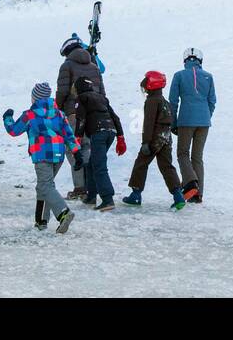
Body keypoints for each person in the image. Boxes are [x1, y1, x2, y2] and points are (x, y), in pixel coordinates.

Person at [3, 81, 78, 233]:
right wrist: (77, 151)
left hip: (42, 154)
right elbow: (69, 135)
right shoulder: (59, 114)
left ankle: (63, 213)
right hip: (58, 155)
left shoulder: (30, 115)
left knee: (45, 185)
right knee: (45, 185)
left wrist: (7, 118)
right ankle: (41, 220)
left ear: (35, 98)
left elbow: (13, 130)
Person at [122, 71, 185, 211]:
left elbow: (149, 123)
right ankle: (178, 195)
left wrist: (146, 142)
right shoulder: (165, 102)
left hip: (155, 138)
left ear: (151, 84)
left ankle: (136, 194)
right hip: (166, 138)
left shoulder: (151, 101)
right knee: (166, 165)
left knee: (141, 163)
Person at [56, 33, 104, 201]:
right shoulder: (94, 66)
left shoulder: (67, 66)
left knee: (73, 148)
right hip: (94, 114)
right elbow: (102, 92)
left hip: (74, 112)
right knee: (87, 148)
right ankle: (90, 186)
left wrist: (58, 107)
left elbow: (62, 91)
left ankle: (80, 187)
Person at [169, 47, 215, 203]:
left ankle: (190, 183)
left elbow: (173, 102)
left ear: (185, 60)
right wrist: (206, 115)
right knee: (197, 157)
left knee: (182, 153)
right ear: (200, 60)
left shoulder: (179, 76)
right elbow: (212, 101)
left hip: (186, 120)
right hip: (204, 122)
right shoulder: (209, 77)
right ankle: (198, 194)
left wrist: (173, 123)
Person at [73, 77, 125, 211]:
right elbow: (115, 117)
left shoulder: (82, 98)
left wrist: (77, 136)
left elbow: (81, 119)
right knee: (91, 163)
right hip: (110, 131)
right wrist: (120, 136)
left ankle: (108, 199)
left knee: (99, 166)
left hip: (98, 132)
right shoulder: (102, 98)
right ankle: (91, 196)